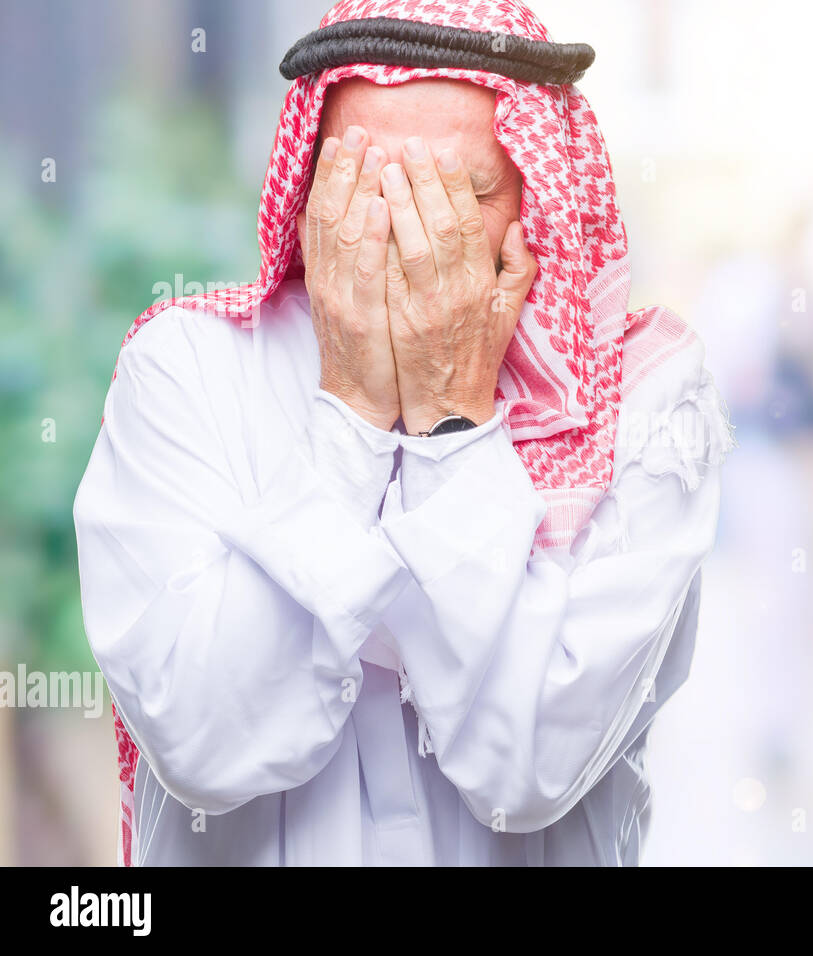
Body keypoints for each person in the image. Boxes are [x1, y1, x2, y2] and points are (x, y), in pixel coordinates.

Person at [72, 0, 732, 866]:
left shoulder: (647, 398)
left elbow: (529, 765)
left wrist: (453, 421)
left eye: (464, 194)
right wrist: (348, 411)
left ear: (539, 200)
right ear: (310, 192)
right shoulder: (185, 371)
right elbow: (204, 740)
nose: (414, 236)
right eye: (370, 187)